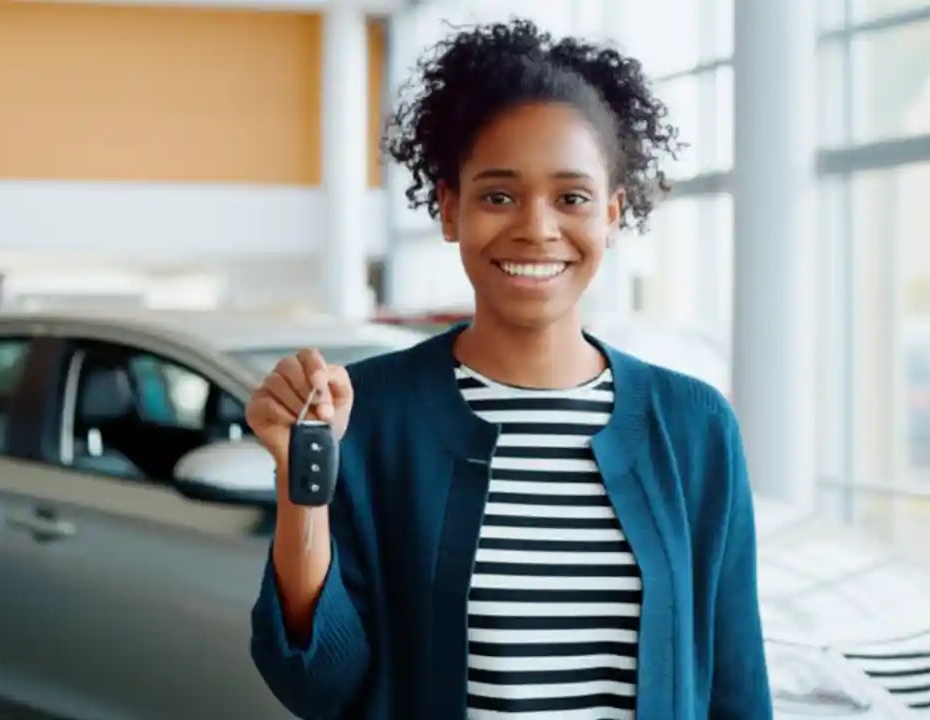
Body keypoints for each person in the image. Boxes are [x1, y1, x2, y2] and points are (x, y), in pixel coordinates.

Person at [246, 18, 772, 720]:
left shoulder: (694, 427)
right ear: (449, 208)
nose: (536, 226)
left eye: (572, 198)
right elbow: (318, 686)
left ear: (612, 216)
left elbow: (736, 686)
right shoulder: (367, 415)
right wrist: (299, 490)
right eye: (498, 195)